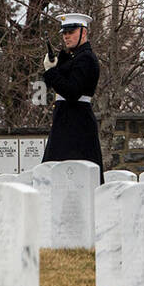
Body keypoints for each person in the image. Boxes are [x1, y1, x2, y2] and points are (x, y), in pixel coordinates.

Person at [42, 12, 104, 169]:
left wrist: (51, 71)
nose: (66, 37)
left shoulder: (86, 58)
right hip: (67, 123)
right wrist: (56, 66)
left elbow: (72, 92)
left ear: (84, 32)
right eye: (64, 33)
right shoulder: (74, 57)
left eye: (71, 32)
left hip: (77, 125)